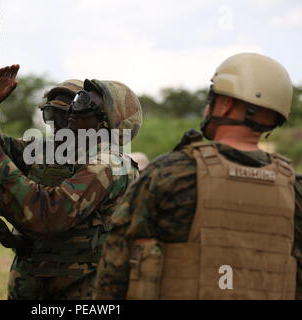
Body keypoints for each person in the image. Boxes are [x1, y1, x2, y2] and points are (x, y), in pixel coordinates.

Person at [94, 52, 302, 300]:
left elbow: (115, 268)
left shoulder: (170, 174)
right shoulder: (295, 189)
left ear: (226, 104)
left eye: (211, 97)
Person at [0, 66, 143, 299]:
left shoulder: (107, 165)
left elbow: (49, 214)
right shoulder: (62, 152)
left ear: (105, 121)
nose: (73, 109)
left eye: (84, 102)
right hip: (38, 284)